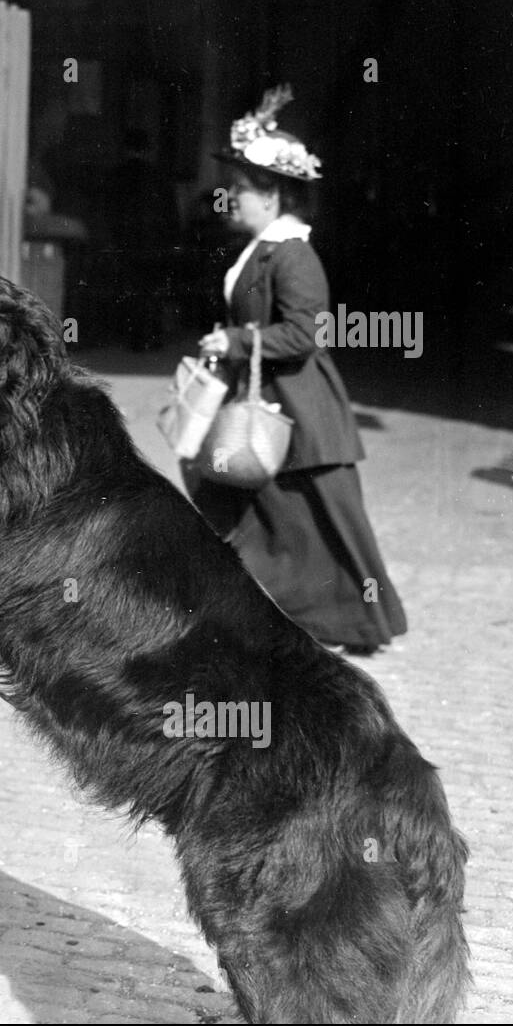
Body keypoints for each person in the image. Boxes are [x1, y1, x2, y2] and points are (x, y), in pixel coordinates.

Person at [191, 86, 406, 654]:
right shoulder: (263, 248)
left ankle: (351, 625)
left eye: (240, 189)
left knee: (323, 524)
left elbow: (308, 332)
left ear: (271, 195)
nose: (230, 197)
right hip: (267, 400)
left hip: (301, 409)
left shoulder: (293, 253)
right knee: (263, 512)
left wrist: (235, 340)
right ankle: (269, 613)